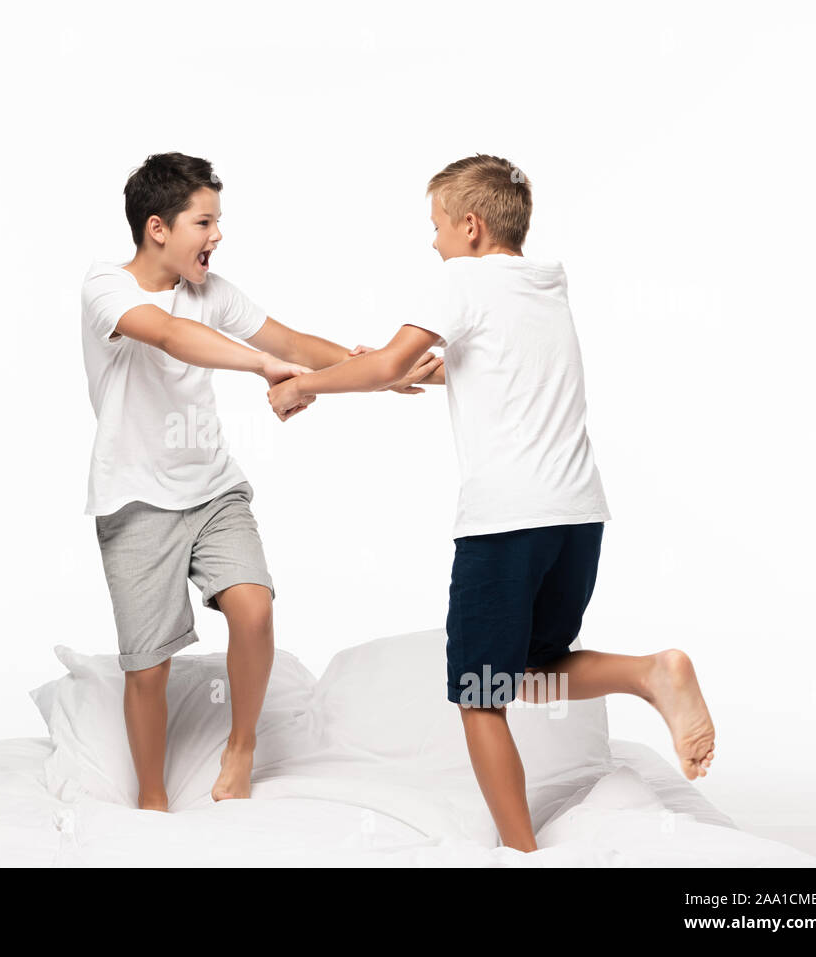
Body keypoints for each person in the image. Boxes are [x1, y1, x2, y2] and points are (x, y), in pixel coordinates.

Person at [266, 154, 715, 851]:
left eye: (438, 225)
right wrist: (425, 370)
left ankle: (520, 852)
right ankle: (649, 672)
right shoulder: (543, 283)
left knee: (480, 693)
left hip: (507, 521)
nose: (434, 240)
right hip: (577, 516)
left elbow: (388, 362)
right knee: (532, 670)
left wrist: (308, 386)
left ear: (471, 227)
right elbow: (497, 365)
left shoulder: (459, 280)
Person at [81, 151, 437, 810]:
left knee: (254, 608)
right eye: (204, 221)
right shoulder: (107, 285)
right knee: (148, 665)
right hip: (134, 501)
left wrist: (398, 367)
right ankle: (152, 801)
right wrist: (259, 366)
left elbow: (297, 344)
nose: (216, 235)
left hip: (213, 489)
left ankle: (240, 747)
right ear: (158, 227)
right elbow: (165, 334)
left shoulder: (214, 291)